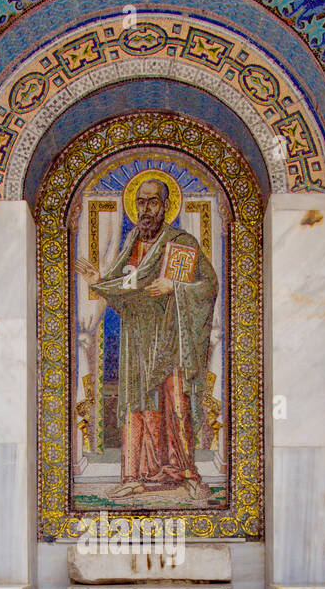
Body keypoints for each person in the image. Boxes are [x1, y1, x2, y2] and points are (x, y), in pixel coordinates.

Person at [75, 176, 218, 503]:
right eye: (140, 202)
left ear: (166, 206)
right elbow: (123, 294)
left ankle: (187, 474)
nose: (145, 209)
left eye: (153, 202)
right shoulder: (131, 243)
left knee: (175, 406)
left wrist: (176, 288)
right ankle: (133, 477)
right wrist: (98, 282)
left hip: (170, 338)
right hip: (135, 339)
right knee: (135, 406)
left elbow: (208, 287)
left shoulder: (181, 242)